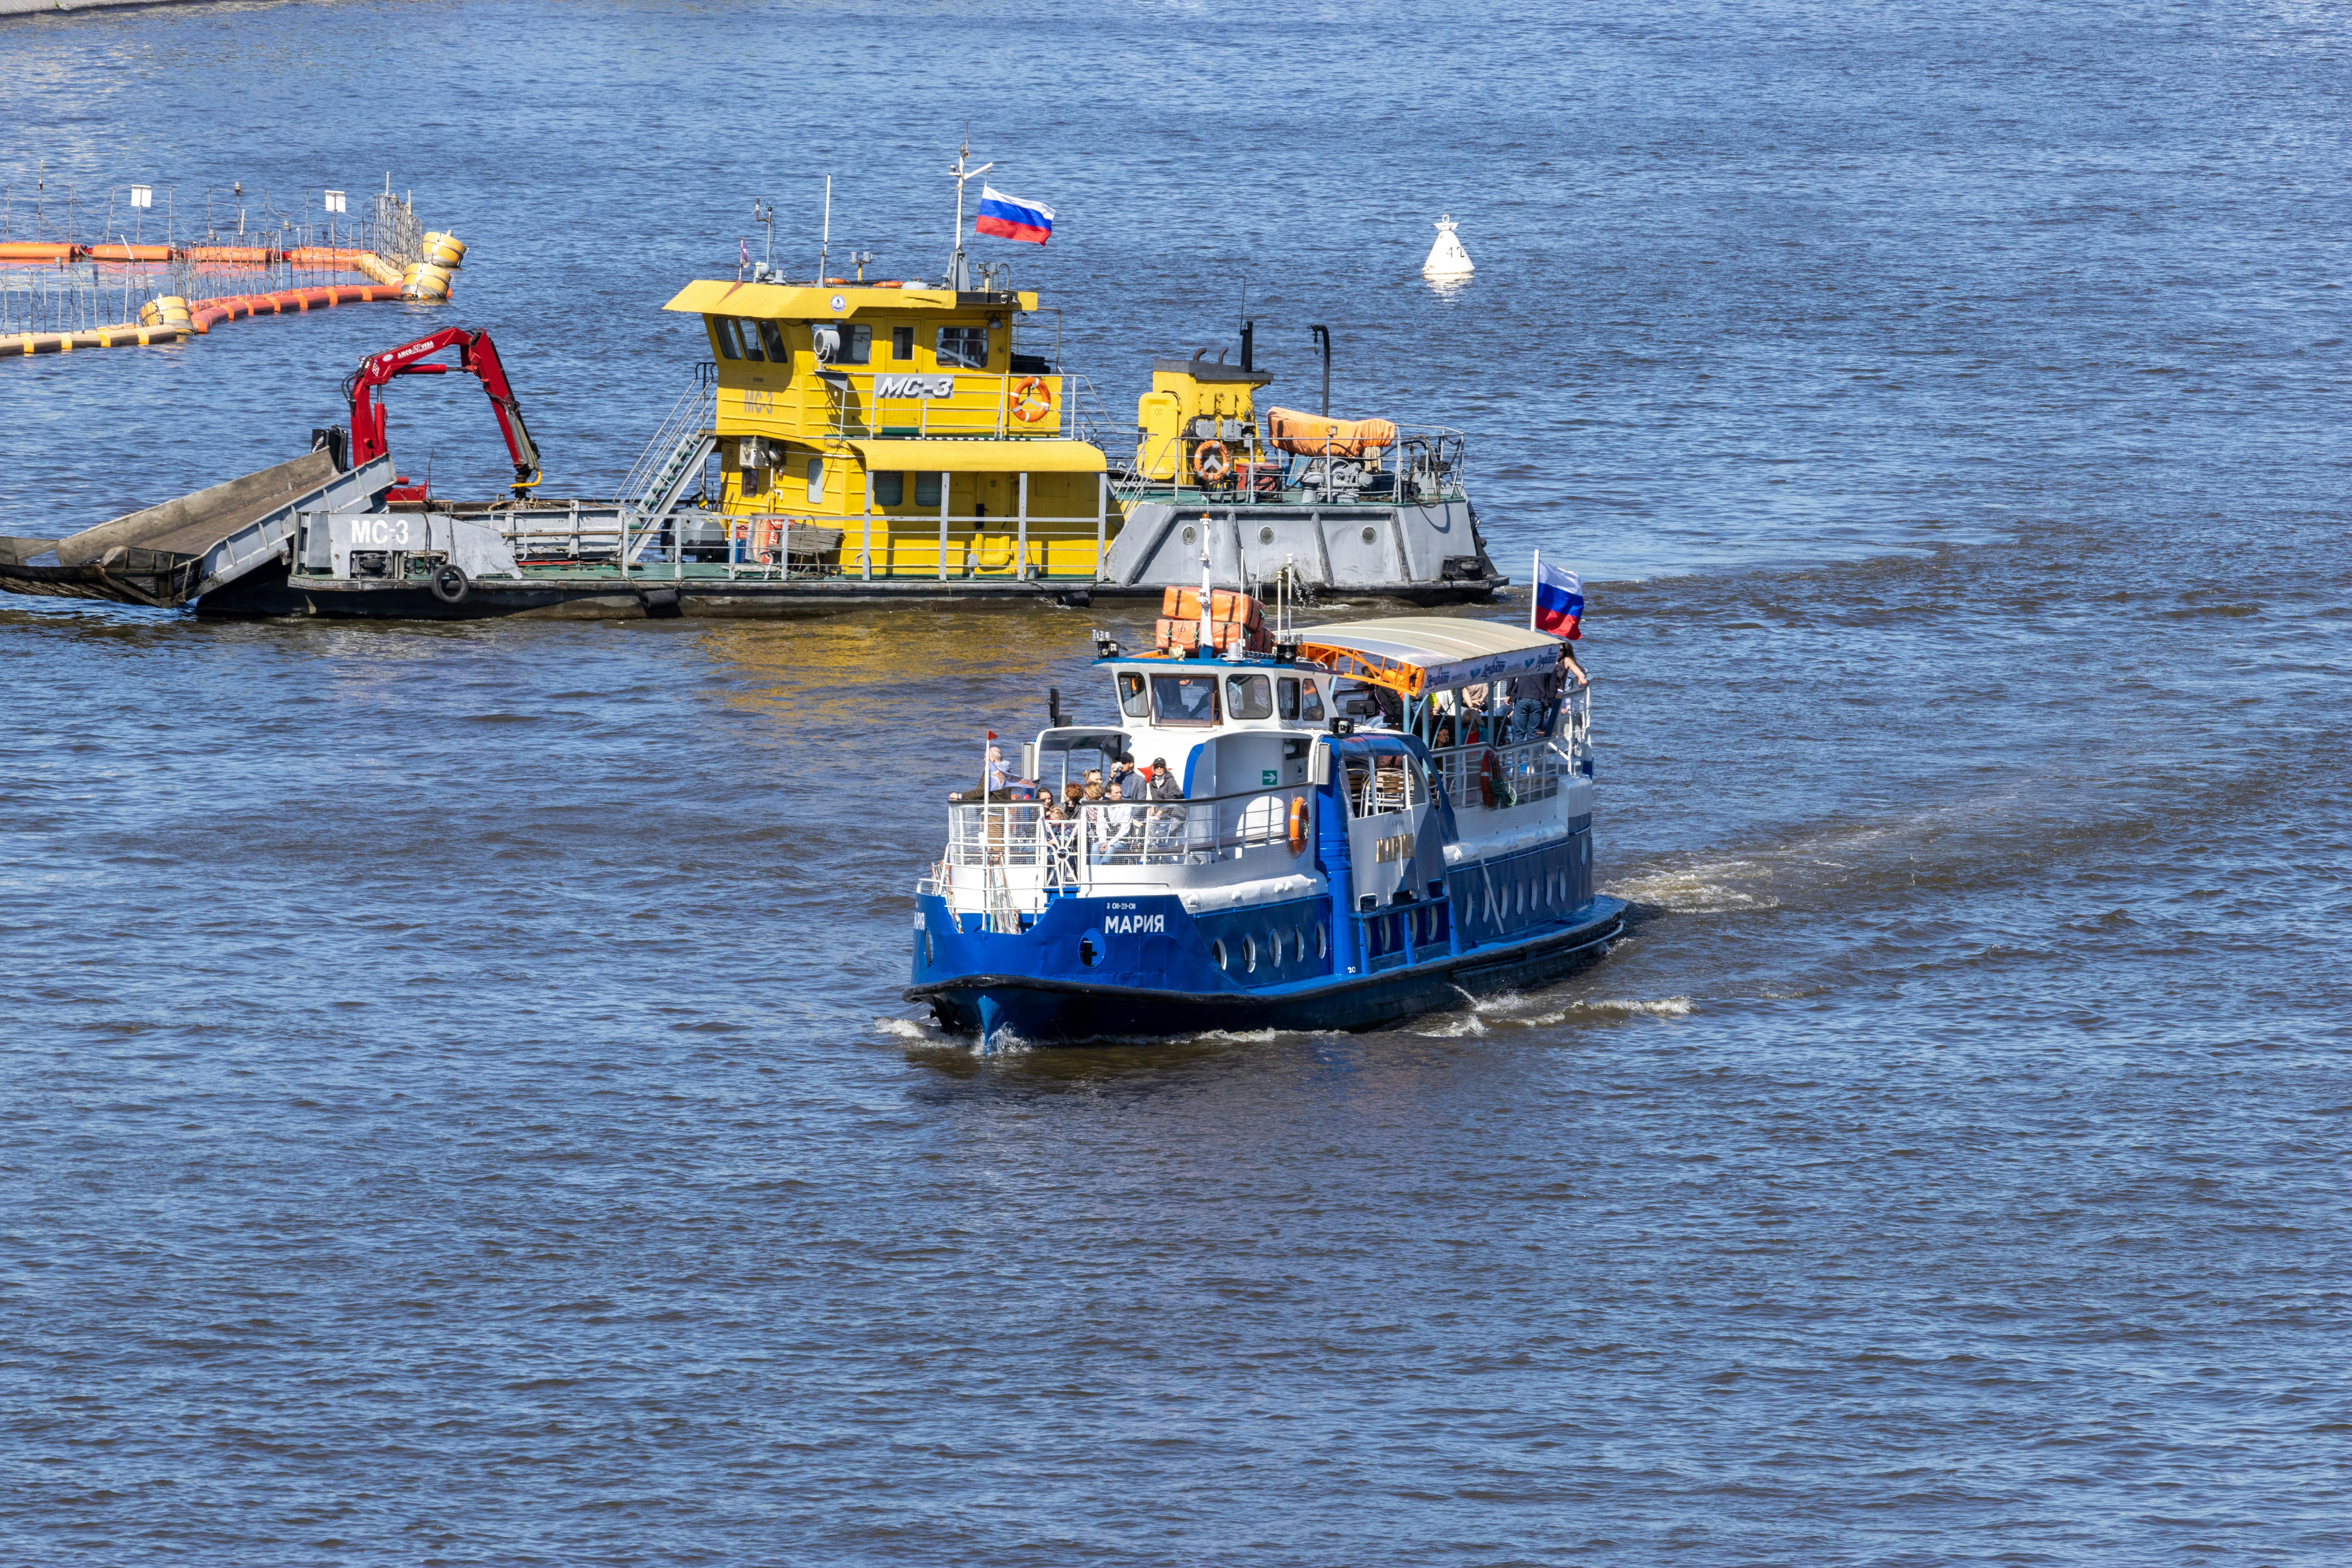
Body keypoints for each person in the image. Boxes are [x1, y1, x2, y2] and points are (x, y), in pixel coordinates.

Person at [1146, 755, 1185, 860]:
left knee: (1169, 840)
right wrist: (1153, 811)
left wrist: (1160, 812)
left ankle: (1168, 860)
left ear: (1165, 768)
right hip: (1165, 815)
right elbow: (1155, 799)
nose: (1159, 769)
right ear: (1154, 769)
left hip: (1177, 814)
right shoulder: (1153, 781)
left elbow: (1171, 798)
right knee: (1155, 834)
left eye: (1162, 767)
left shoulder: (1170, 780)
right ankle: (1154, 859)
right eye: (1157, 767)